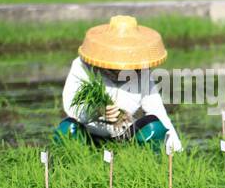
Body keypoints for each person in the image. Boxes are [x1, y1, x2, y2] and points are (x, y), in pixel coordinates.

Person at [56, 15, 182, 154]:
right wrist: (97, 111)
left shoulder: (142, 71)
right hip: (90, 134)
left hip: (123, 136)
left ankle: (150, 164)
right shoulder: (82, 66)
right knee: (67, 129)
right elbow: (71, 105)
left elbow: (158, 112)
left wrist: (177, 152)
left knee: (154, 126)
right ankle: (72, 165)